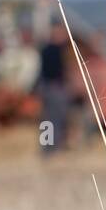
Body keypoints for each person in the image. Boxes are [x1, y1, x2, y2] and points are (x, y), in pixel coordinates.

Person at [38, 22, 70, 156]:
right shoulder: (53, 50)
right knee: (53, 119)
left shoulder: (48, 49)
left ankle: (49, 148)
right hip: (53, 88)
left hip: (50, 88)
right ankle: (51, 148)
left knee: (51, 119)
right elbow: (54, 72)